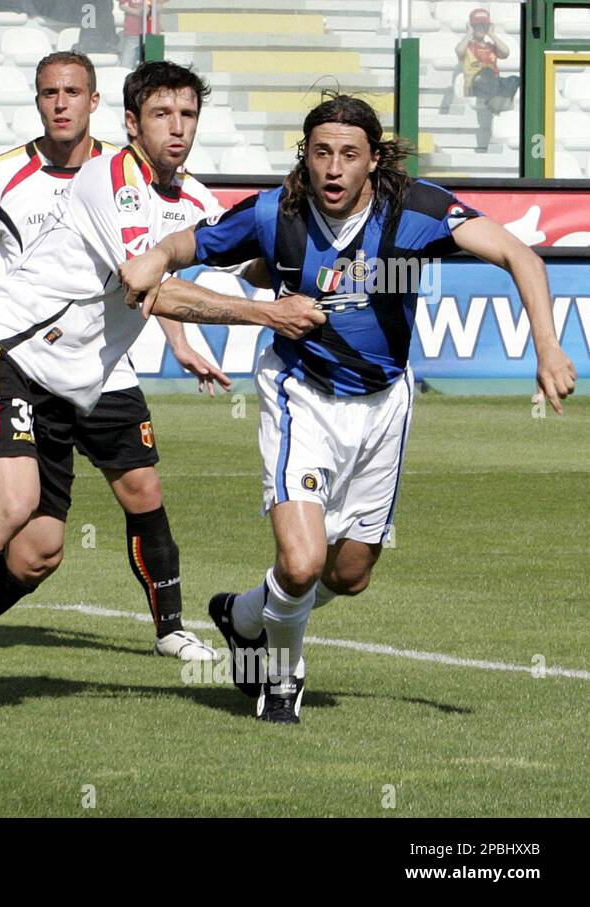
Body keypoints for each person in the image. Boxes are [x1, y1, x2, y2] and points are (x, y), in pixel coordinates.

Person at [0, 60, 324, 725]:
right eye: (162, 115)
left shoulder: (193, 198)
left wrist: (306, 244)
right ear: (131, 123)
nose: (178, 128)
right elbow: (151, 287)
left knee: (38, 552)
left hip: (64, 388)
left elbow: (250, 260)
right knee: (12, 500)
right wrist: (269, 314)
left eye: (188, 115)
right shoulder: (110, 179)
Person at [120, 92, 577, 724]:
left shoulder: (415, 209)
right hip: (299, 393)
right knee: (302, 562)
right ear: (305, 157)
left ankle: (242, 615)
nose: (333, 168)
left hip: (384, 404)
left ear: (373, 162)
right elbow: (183, 248)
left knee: (349, 574)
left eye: (349, 155)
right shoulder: (274, 213)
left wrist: (547, 348)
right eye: (321, 153)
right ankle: (281, 679)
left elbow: (518, 255)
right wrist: (157, 255)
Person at [0, 52, 224, 671]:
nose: (61, 103)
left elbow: (152, 263)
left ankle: (169, 628)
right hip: (22, 354)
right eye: (49, 92)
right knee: (8, 505)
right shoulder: (12, 175)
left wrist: (181, 342)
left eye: (72, 91)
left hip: (103, 366)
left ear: (95, 102)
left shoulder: (141, 176)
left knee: (127, 494)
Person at [456, 8, 519, 152]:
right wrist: (468, 34)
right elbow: (459, 51)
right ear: (472, 26)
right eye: (477, 26)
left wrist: (492, 34)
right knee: (487, 73)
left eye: (483, 26)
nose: (480, 29)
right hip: (475, 82)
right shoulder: (468, 46)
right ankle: (497, 102)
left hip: (492, 83)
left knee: (515, 79)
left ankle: (496, 101)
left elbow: (506, 52)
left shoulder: (491, 46)